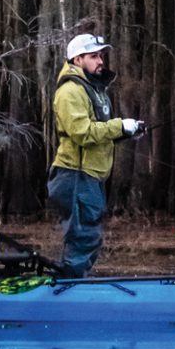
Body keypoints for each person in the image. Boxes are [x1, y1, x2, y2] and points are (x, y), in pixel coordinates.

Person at [48, 33, 143, 277]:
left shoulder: (93, 89)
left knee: (88, 238)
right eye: (93, 56)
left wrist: (125, 132)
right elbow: (82, 132)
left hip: (90, 176)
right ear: (77, 59)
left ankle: (72, 284)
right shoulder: (70, 91)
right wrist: (119, 126)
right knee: (83, 238)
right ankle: (68, 290)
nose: (100, 61)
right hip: (75, 175)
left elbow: (99, 131)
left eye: (101, 55)